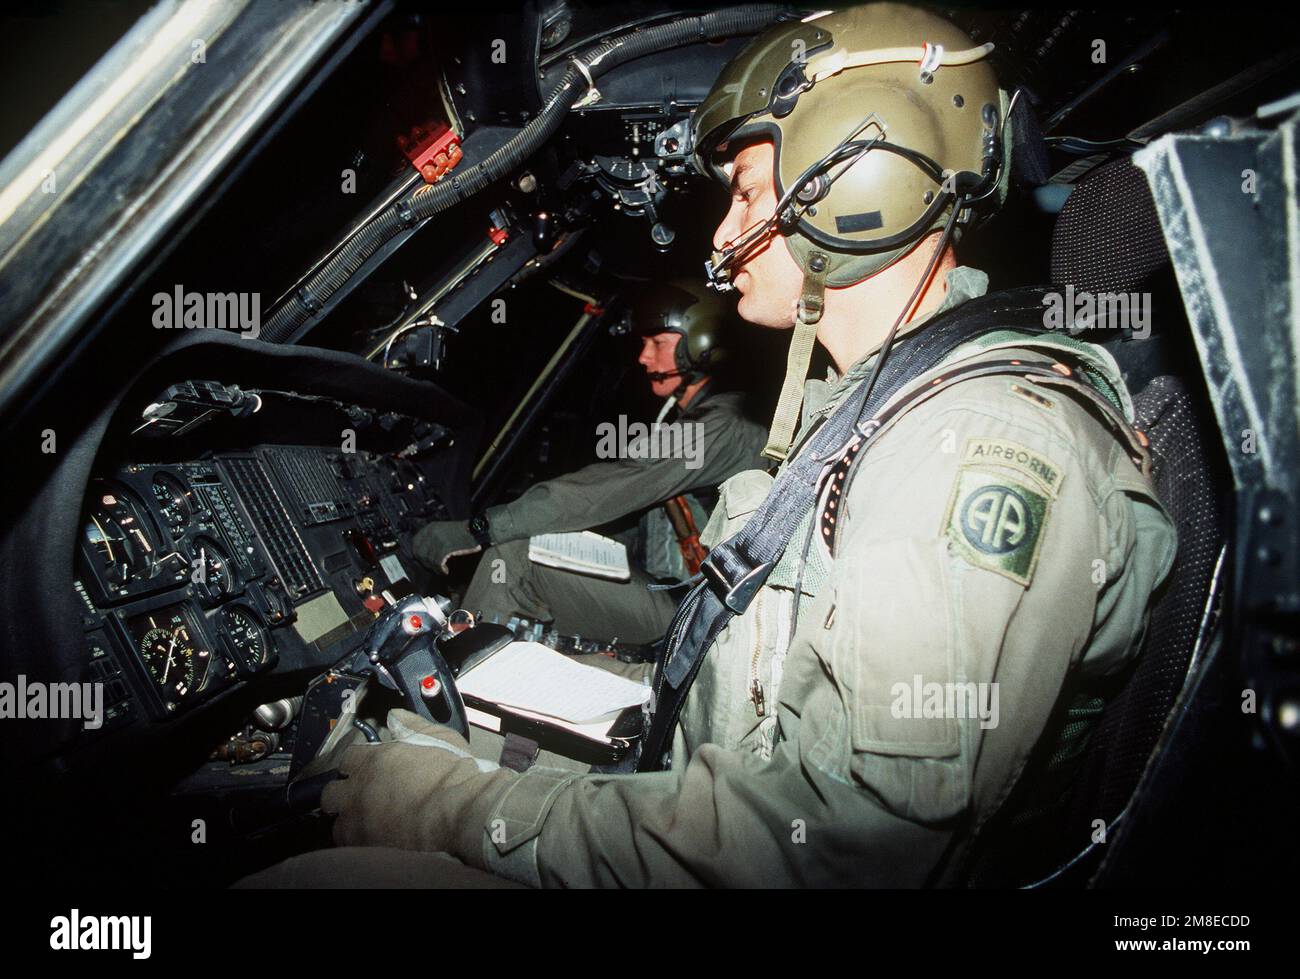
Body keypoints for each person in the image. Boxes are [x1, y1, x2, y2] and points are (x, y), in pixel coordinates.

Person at [244, 3, 1175, 888]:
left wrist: (460, 813)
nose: (726, 233)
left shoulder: (970, 446)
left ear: (860, 180)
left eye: (747, 192)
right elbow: (771, 699)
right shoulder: (878, 413)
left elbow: (835, 850)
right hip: (708, 774)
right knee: (403, 743)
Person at [410, 279, 768, 645]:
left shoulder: (723, 426)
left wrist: (479, 530)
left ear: (701, 346)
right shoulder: (706, 416)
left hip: (705, 617)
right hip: (688, 598)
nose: (643, 357)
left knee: (515, 558)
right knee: (541, 543)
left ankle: (459, 682)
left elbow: (610, 486)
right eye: (644, 343)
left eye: (657, 343)